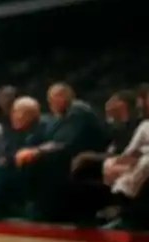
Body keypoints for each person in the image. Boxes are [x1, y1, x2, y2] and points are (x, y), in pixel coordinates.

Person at [14, 83, 108, 222]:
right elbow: (52, 139)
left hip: (84, 157)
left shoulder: (78, 110)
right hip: (69, 155)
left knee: (40, 161)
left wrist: (37, 151)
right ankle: (37, 208)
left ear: (63, 97)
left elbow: (65, 142)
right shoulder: (61, 116)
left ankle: (43, 211)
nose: (50, 104)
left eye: (52, 99)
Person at [100, 86, 149, 228]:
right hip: (145, 157)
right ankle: (120, 199)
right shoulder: (146, 124)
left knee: (145, 161)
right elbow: (133, 145)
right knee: (112, 162)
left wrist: (142, 152)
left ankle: (128, 191)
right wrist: (125, 156)